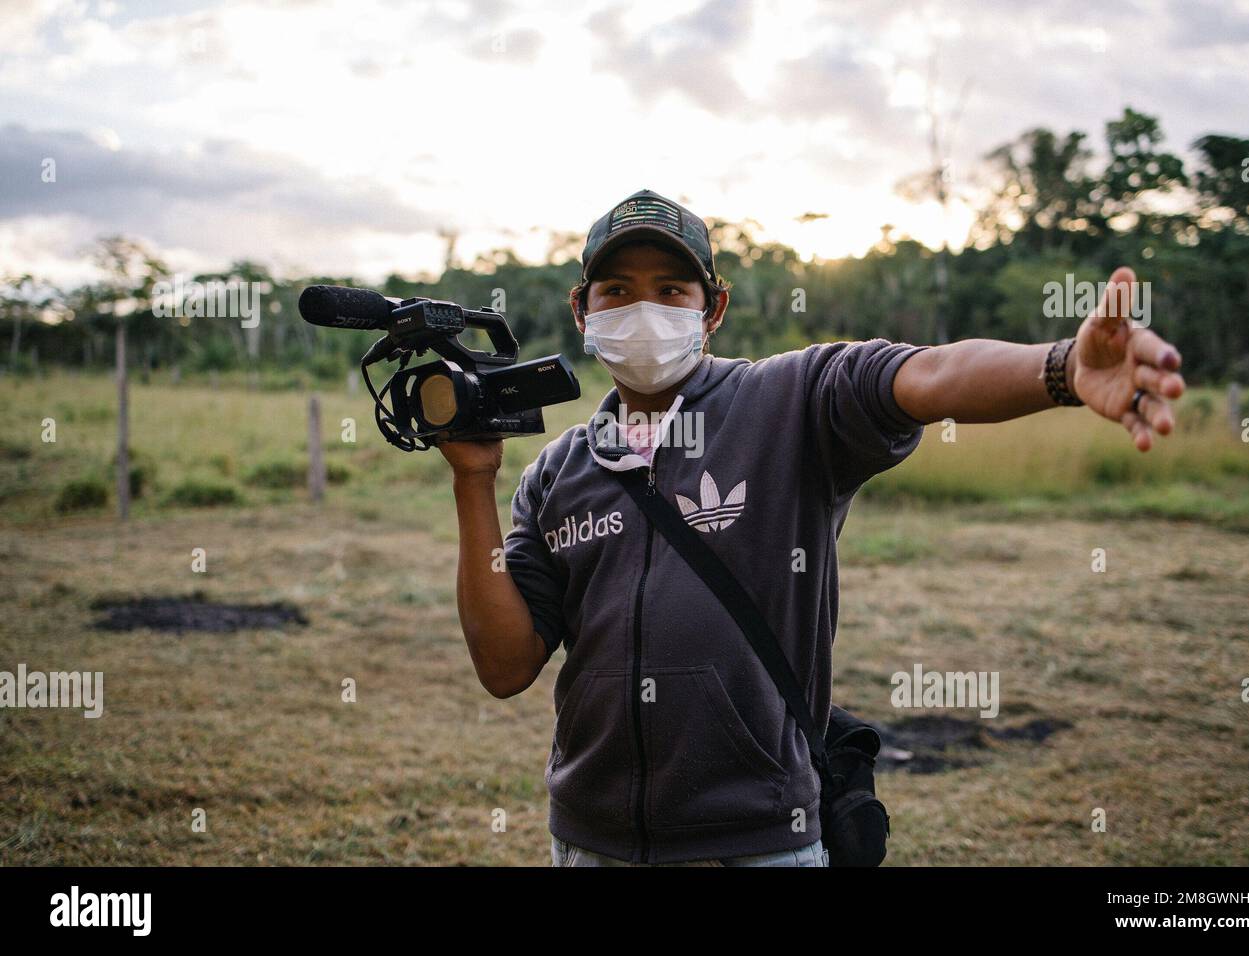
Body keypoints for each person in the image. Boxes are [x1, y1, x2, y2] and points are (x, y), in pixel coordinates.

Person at [438, 188, 1185, 867]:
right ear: (582, 310)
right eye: (618, 291)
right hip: (590, 843)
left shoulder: (787, 403)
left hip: (757, 841)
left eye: (671, 291)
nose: (644, 311)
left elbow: (925, 376)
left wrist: (1060, 369)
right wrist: (474, 479)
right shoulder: (559, 472)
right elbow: (505, 668)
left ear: (713, 309)